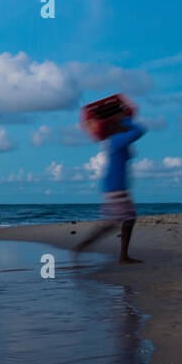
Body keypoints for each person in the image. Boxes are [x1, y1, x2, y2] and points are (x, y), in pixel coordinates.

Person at [74, 103, 144, 262]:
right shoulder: (116, 140)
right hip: (116, 187)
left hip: (114, 186)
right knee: (117, 222)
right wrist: (125, 119)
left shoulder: (114, 141)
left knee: (124, 219)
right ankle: (84, 246)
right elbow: (139, 131)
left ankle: (121, 255)